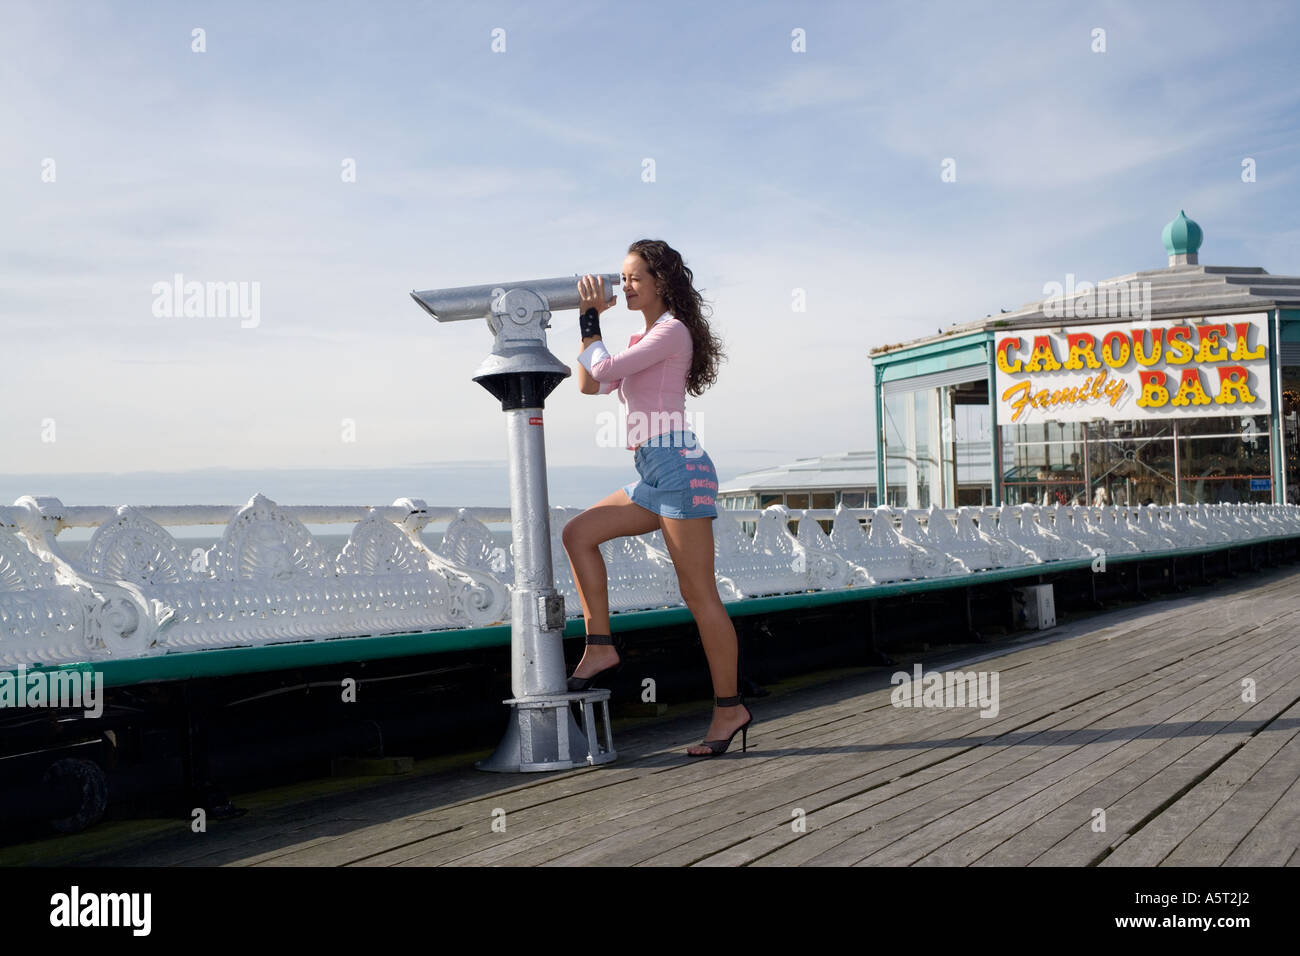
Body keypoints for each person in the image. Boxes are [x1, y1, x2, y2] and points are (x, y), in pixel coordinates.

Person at [563, 239, 752, 757]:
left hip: (679, 466)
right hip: (653, 470)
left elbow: (601, 370)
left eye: (634, 278)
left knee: (701, 598)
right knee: (577, 534)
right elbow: (587, 383)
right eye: (621, 279)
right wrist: (589, 323)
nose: (625, 286)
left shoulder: (672, 332)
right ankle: (600, 646)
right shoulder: (639, 336)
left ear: (661, 282)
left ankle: (730, 708)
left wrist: (589, 321)